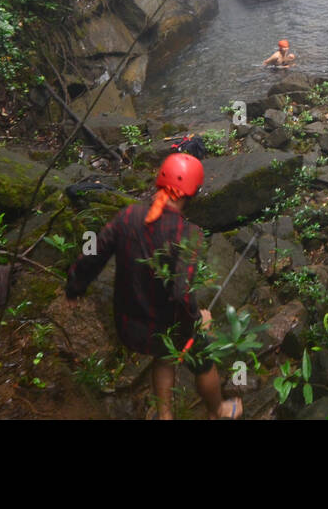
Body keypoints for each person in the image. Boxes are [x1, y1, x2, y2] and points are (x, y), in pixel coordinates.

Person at [65, 153, 242, 420]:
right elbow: (182, 294)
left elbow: (93, 254)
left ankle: (165, 414)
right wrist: (197, 323)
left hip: (128, 326)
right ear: (190, 194)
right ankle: (218, 409)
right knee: (203, 359)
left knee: (165, 354)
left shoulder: (128, 216)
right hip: (163, 330)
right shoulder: (188, 234)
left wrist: (74, 287)